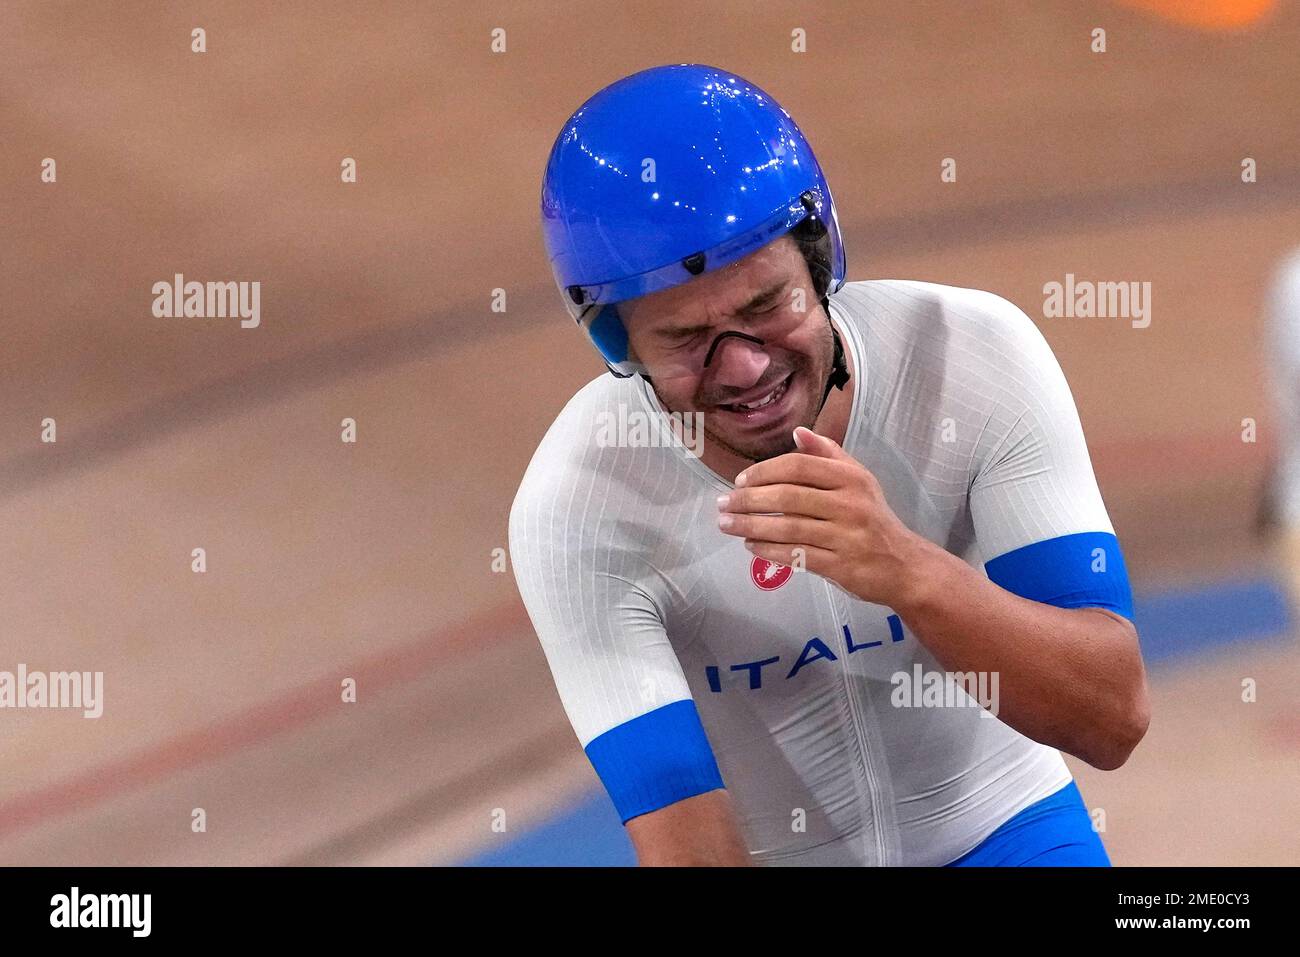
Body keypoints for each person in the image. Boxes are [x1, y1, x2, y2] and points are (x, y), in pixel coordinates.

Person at [509, 63, 1150, 866]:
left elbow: (1112, 716)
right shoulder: (579, 504)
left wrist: (908, 571)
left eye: (765, 306)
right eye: (683, 338)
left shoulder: (974, 359)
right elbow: (689, 848)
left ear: (821, 265)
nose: (742, 367)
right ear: (619, 345)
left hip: (1006, 830)